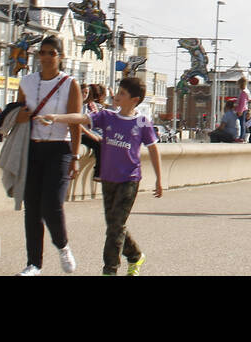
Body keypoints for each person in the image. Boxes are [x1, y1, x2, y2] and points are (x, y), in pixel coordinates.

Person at [39, 75, 163, 275]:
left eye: (122, 94)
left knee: (115, 226)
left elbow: (153, 150)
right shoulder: (107, 116)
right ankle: (135, 256)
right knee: (115, 225)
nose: (117, 96)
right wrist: (56, 118)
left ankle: (109, 270)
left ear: (134, 100)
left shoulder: (142, 123)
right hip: (108, 178)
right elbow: (81, 118)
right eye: (118, 92)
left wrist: (159, 179)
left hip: (129, 180)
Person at [14, 36, 83, 276]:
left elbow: (76, 122)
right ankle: (34, 263)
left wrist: (75, 156)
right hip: (33, 148)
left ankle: (63, 246)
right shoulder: (27, 82)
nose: (45, 57)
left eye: (51, 53)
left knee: (51, 204)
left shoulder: (69, 84)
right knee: (32, 207)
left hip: (59, 149)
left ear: (60, 57)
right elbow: (17, 114)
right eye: (42, 53)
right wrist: (20, 116)